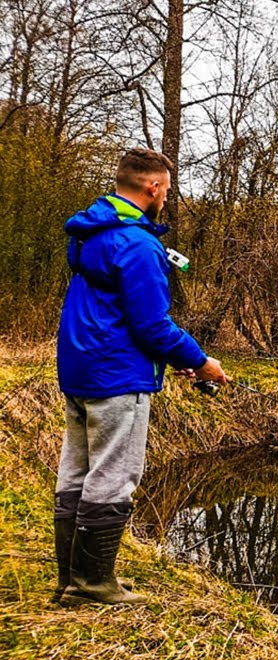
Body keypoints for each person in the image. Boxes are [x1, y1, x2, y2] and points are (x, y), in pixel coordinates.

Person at [53, 147, 230, 605]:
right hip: (118, 376)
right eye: (166, 190)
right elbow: (152, 325)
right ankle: (93, 584)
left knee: (76, 472)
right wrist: (201, 360)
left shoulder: (91, 232)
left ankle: (72, 578)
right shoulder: (137, 244)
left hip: (80, 367)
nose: (166, 199)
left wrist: (180, 360)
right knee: (113, 476)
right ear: (152, 187)